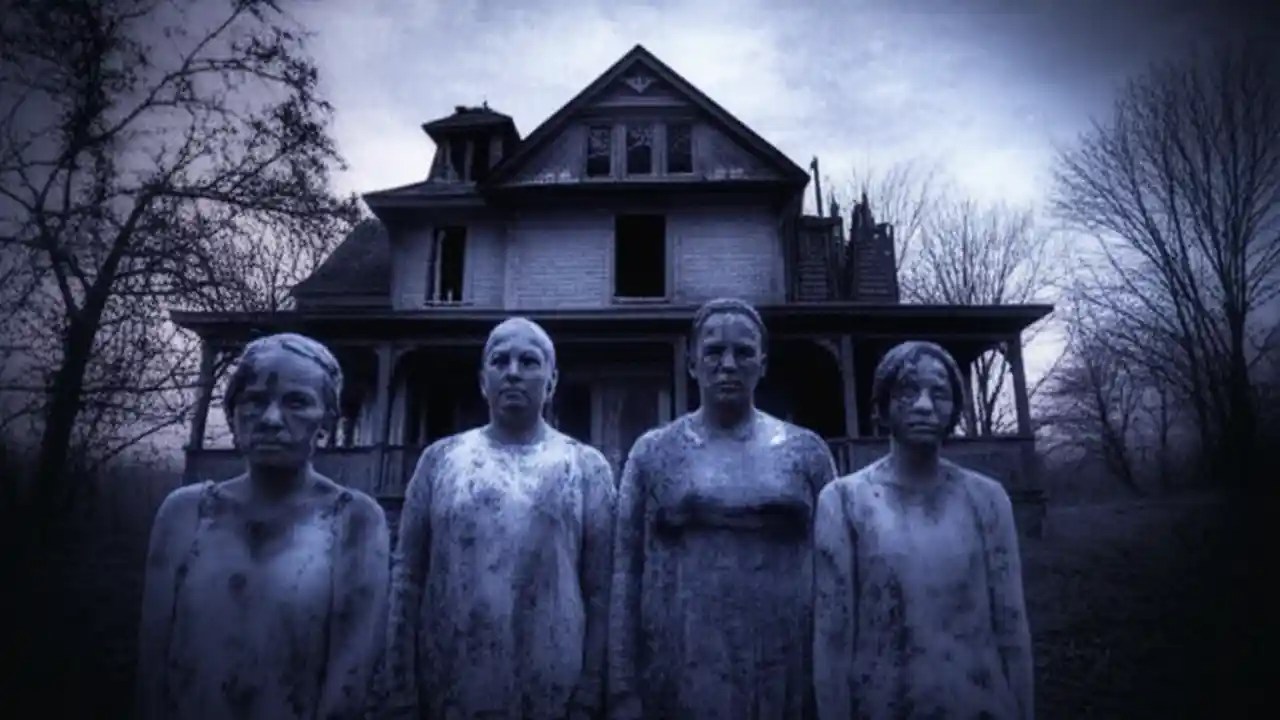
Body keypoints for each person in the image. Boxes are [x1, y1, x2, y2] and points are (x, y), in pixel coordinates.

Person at [136, 333, 390, 720]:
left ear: (327, 421)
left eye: (296, 402)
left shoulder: (354, 521)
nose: (271, 419)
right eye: (255, 400)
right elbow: (150, 670)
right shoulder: (186, 514)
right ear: (232, 414)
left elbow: (348, 685)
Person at [608, 297, 837, 720]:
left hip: (785, 678)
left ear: (762, 365)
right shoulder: (654, 453)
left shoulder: (807, 453)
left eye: (743, 352)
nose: (728, 365)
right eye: (714, 351)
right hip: (678, 677)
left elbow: (835, 575)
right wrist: (622, 689)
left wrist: (834, 685)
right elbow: (626, 574)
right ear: (692, 363)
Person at [383, 317, 616, 720]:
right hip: (448, 689)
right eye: (500, 360)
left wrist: (591, 690)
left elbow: (601, 592)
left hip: (554, 693)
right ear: (482, 380)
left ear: (552, 381)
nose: (513, 372)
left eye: (529, 361)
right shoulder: (440, 460)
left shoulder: (586, 466)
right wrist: (401, 688)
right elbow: (407, 579)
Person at [812, 341, 1034, 720]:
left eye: (939, 394)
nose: (924, 406)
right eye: (908, 391)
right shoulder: (844, 501)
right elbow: (832, 638)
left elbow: (1011, 626)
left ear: (954, 408)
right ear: (882, 406)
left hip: (979, 706)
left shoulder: (987, 499)